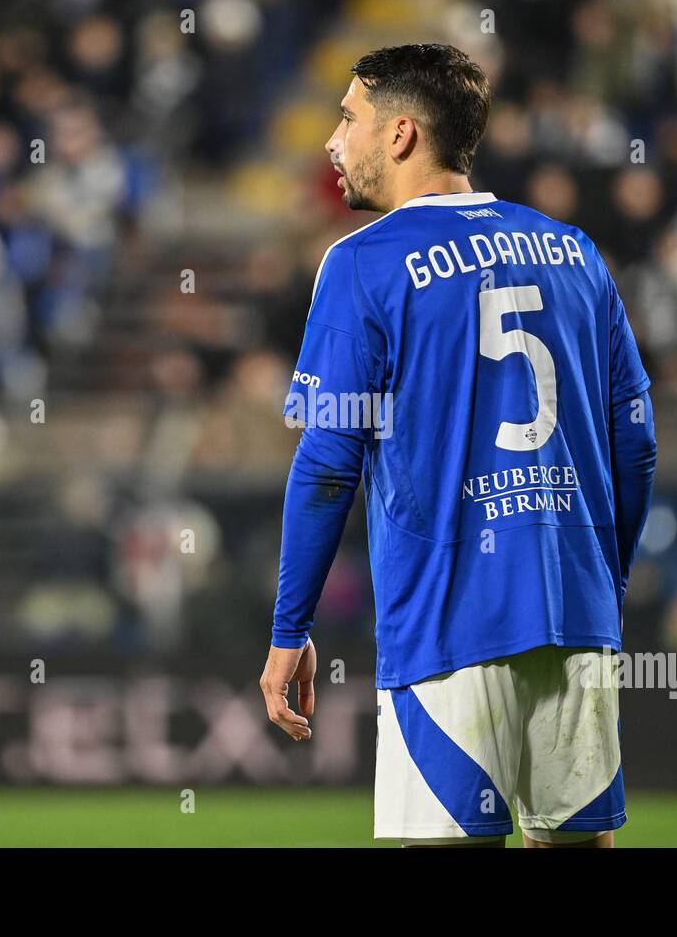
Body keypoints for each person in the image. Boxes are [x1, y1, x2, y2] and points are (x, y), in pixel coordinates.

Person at [259, 44, 656, 847]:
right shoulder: (574, 252)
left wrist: (288, 629)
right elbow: (636, 442)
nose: (333, 143)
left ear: (400, 134)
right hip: (575, 614)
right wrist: (604, 578)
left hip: (447, 625)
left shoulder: (362, 263)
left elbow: (329, 465)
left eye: (347, 119)